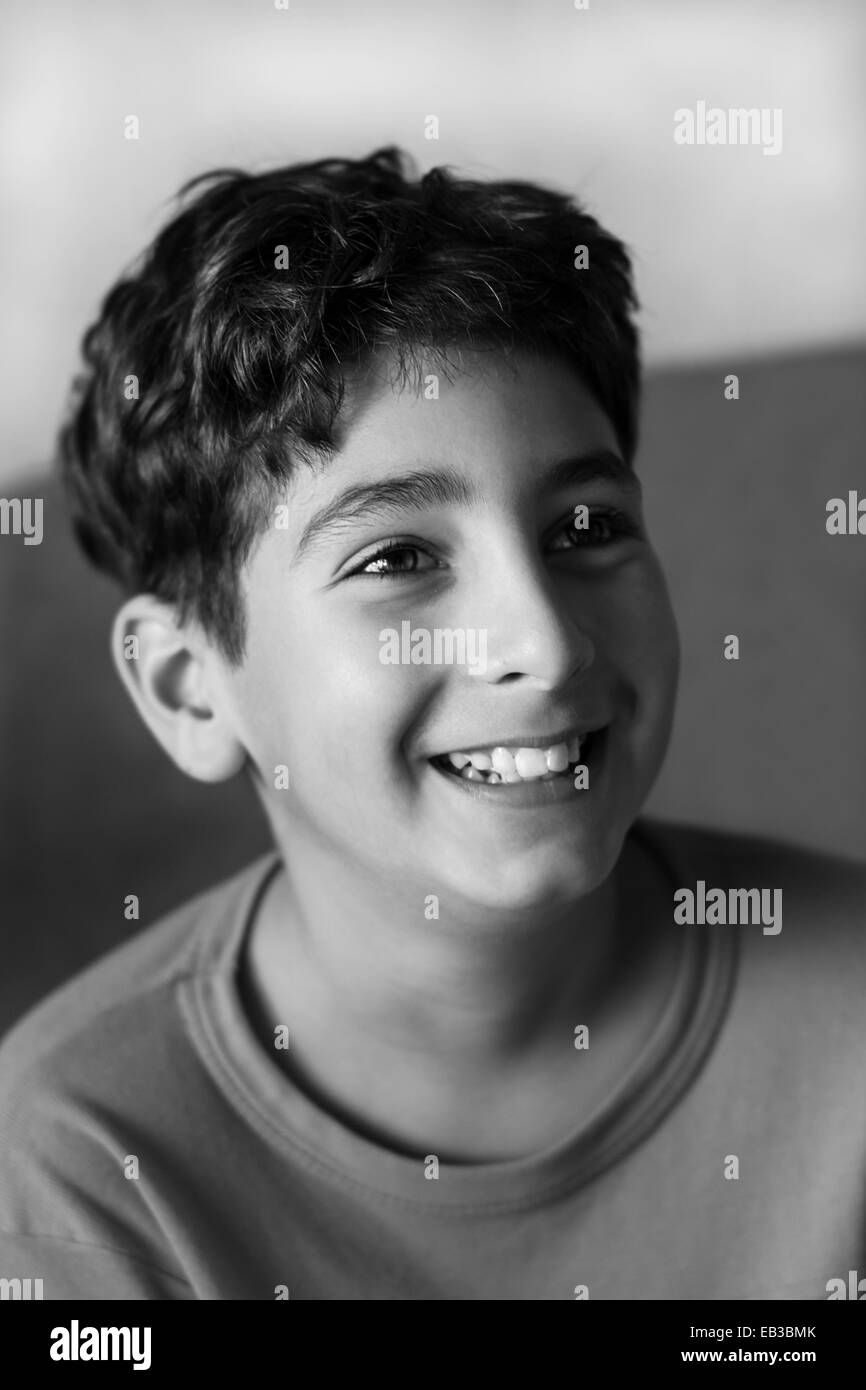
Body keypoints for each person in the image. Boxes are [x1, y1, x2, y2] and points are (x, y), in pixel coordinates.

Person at [0, 148, 863, 1301]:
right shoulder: (72, 1163)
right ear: (188, 689)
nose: (544, 644)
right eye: (397, 557)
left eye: (585, 525)